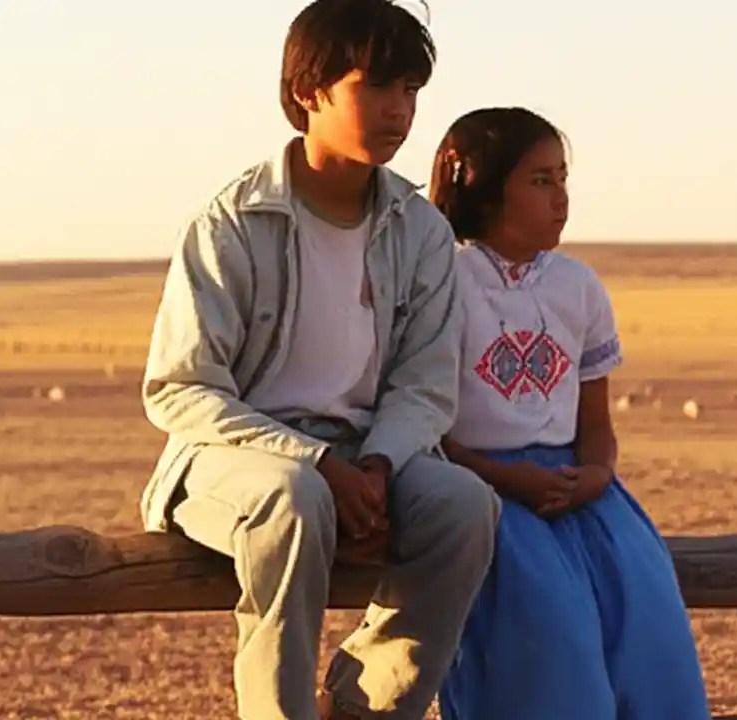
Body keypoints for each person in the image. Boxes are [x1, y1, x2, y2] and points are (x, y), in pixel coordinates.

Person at [137, 2, 498, 718]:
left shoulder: (420, 229)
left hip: (370, 458)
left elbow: (425, 382)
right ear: (310, 92)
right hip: (233, 459)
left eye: (411, 92)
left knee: (465, 507)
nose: (400, 111)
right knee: (292, 500)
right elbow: (180, 389)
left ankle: (364, 708)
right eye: (378, 88)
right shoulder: (234, 221)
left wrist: (378, 465)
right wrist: (314, 462)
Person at [427, 107, 712, 720]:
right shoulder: (441, 284)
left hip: (584, 496)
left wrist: (599, 474)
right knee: (553, 645)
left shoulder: (578, 287)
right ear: (483, 183)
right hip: (490, 499)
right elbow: (427, 430)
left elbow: (597, 423)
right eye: (539, 181)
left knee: (648, 614)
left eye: (562, 179)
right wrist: (507, 479)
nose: (560, 198)